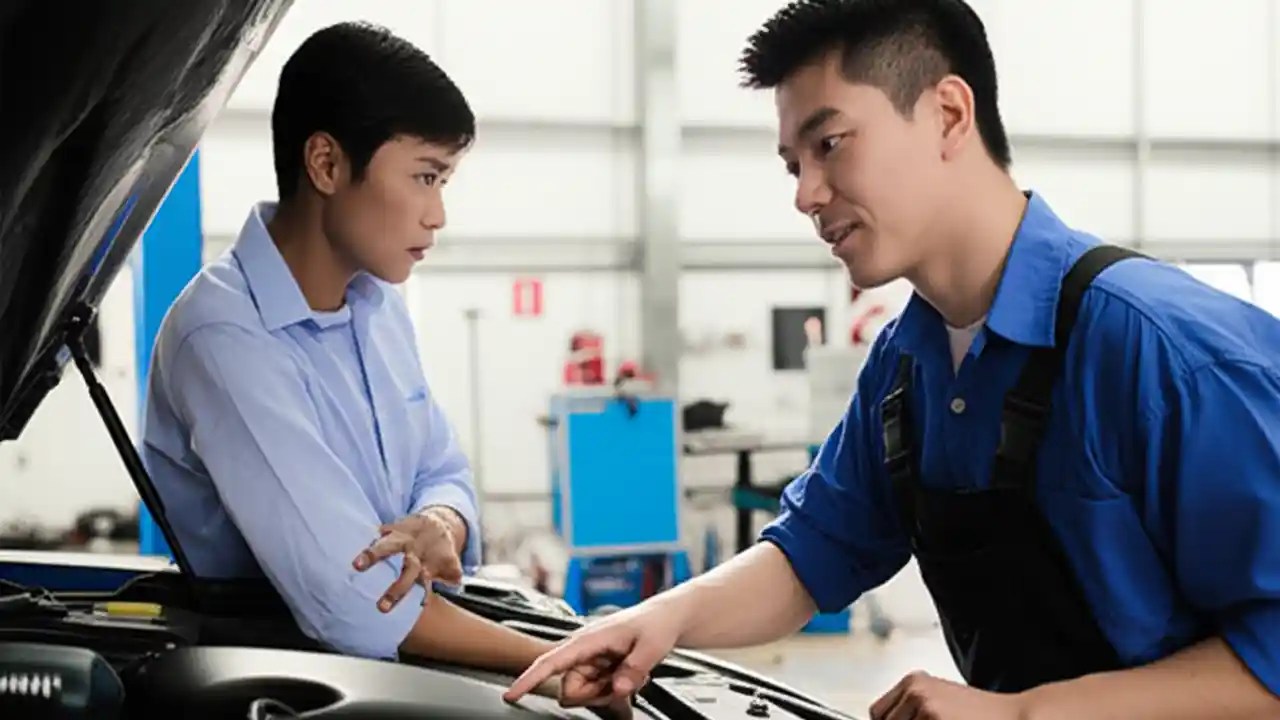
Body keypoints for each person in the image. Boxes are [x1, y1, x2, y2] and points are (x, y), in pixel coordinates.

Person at [504, 1, 1280, 718]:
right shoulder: (904, 369)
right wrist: (658, 619)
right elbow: (812, 555)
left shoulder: (1165, 352)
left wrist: (1021, 714)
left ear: (947, 114)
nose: (806, 194)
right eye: (791, 163)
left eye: (829, 144)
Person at [140, 21, 557, 678]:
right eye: (425, 176)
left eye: (443, 181)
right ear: (327, 164)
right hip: (284, 676)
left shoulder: (377, 304)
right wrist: (564, 658)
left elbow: (445, 470)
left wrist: (439, 522)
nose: (438, 214)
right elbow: (359, 605)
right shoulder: (223, 336)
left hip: (398, 663)